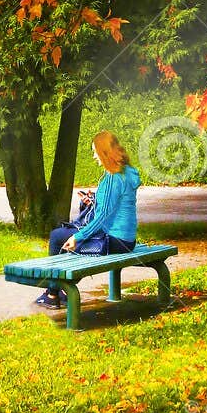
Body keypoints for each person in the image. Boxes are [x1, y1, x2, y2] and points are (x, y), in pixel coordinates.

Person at [35, 130, 141, 308]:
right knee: (64, 236)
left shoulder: (112, 178)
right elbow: (114, 205)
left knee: (56, 236)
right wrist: (94, 199)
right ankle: (57, 291)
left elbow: (101, 219)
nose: (94, 156)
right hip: (128, 240)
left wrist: (78, 237)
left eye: (96, 152)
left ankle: (52, 294)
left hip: (112, 240)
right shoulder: (129, 172)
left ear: (105, 153)